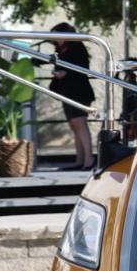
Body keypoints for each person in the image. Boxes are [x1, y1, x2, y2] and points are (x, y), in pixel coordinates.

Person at [48, 22, 95, 170]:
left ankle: (88, 160)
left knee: (80, 123)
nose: (55, 39)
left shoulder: (77, 47)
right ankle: (80, 160)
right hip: (67, 91)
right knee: (75, 125)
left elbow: (82, 68)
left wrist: (66, 73)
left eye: (57, 35)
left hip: (79, 90)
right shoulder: (61, 50)